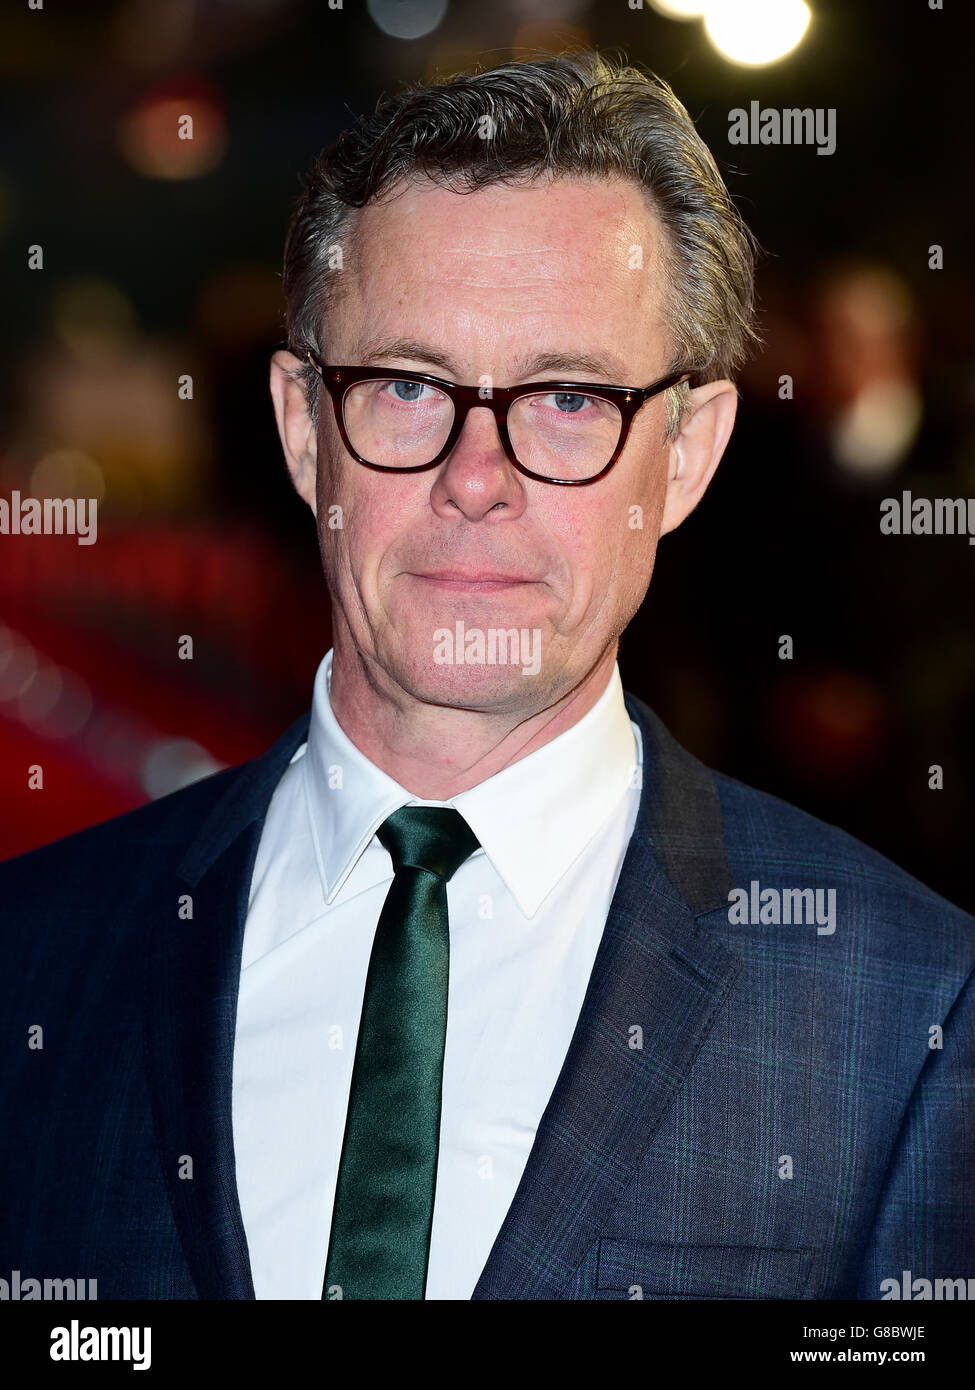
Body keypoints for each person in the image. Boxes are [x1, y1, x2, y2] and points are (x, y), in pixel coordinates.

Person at [1, 51, 972, 1303]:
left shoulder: (910, 1014)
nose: (476, 475)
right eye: (408, 387)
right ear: (305, 430)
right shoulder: (35, 956)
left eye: (568, 399)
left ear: (687, 455)